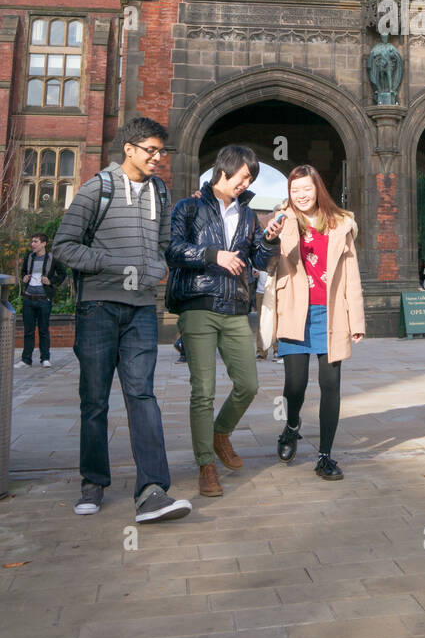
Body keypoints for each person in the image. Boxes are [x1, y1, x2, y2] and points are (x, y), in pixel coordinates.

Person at [53, 116, 192, 522]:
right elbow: (64, 245)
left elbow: (165, 244)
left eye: (161, 151)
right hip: (98, 307)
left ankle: (152, 491)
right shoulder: (97, 188)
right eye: (151, 150)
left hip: (142, 310)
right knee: (94, 401)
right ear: (129, 149)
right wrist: (112, 263)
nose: (158, 158)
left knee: (142, 395)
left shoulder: (161, 192)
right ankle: (93, 482)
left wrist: (158, 266)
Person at [167, 145, 284, 498]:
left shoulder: (248, 216)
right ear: (224, 169)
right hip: (197, 305)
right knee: (202, 390)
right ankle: (206, 464)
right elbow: (172, 250)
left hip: (235, 308)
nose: (246, 182)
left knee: (248, 384)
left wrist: (268, 240)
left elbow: (258, 262)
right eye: (243, 175)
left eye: (250, 178)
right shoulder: (188, 207)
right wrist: (211, 254)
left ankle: (220, 433)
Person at [272, 165, 365, 481]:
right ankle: (292, 425)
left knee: (331, 385)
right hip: (296, 311)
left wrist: (357, 319)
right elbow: (271, 254)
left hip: (332, 313)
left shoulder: (340, 225)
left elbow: (350, 275)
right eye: (294, 190)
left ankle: (325, 455)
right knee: (295, 385)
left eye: (306, 189)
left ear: (318, 189)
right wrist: (272, 233)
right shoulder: (283, 220)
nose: (300, 195)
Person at [14, 233, 66, 369]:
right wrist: (24, 277)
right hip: (28, 299)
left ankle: (45, 358)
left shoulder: (52, 258)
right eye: (32, 241)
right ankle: (26, 360)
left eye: (35, 242)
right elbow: (24, 272)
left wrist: (51, 281)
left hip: (44, 300)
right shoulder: (29, 257)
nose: (32, 244)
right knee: (28, 331)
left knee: (43, 330)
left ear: (44, 244)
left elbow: (62, 274)